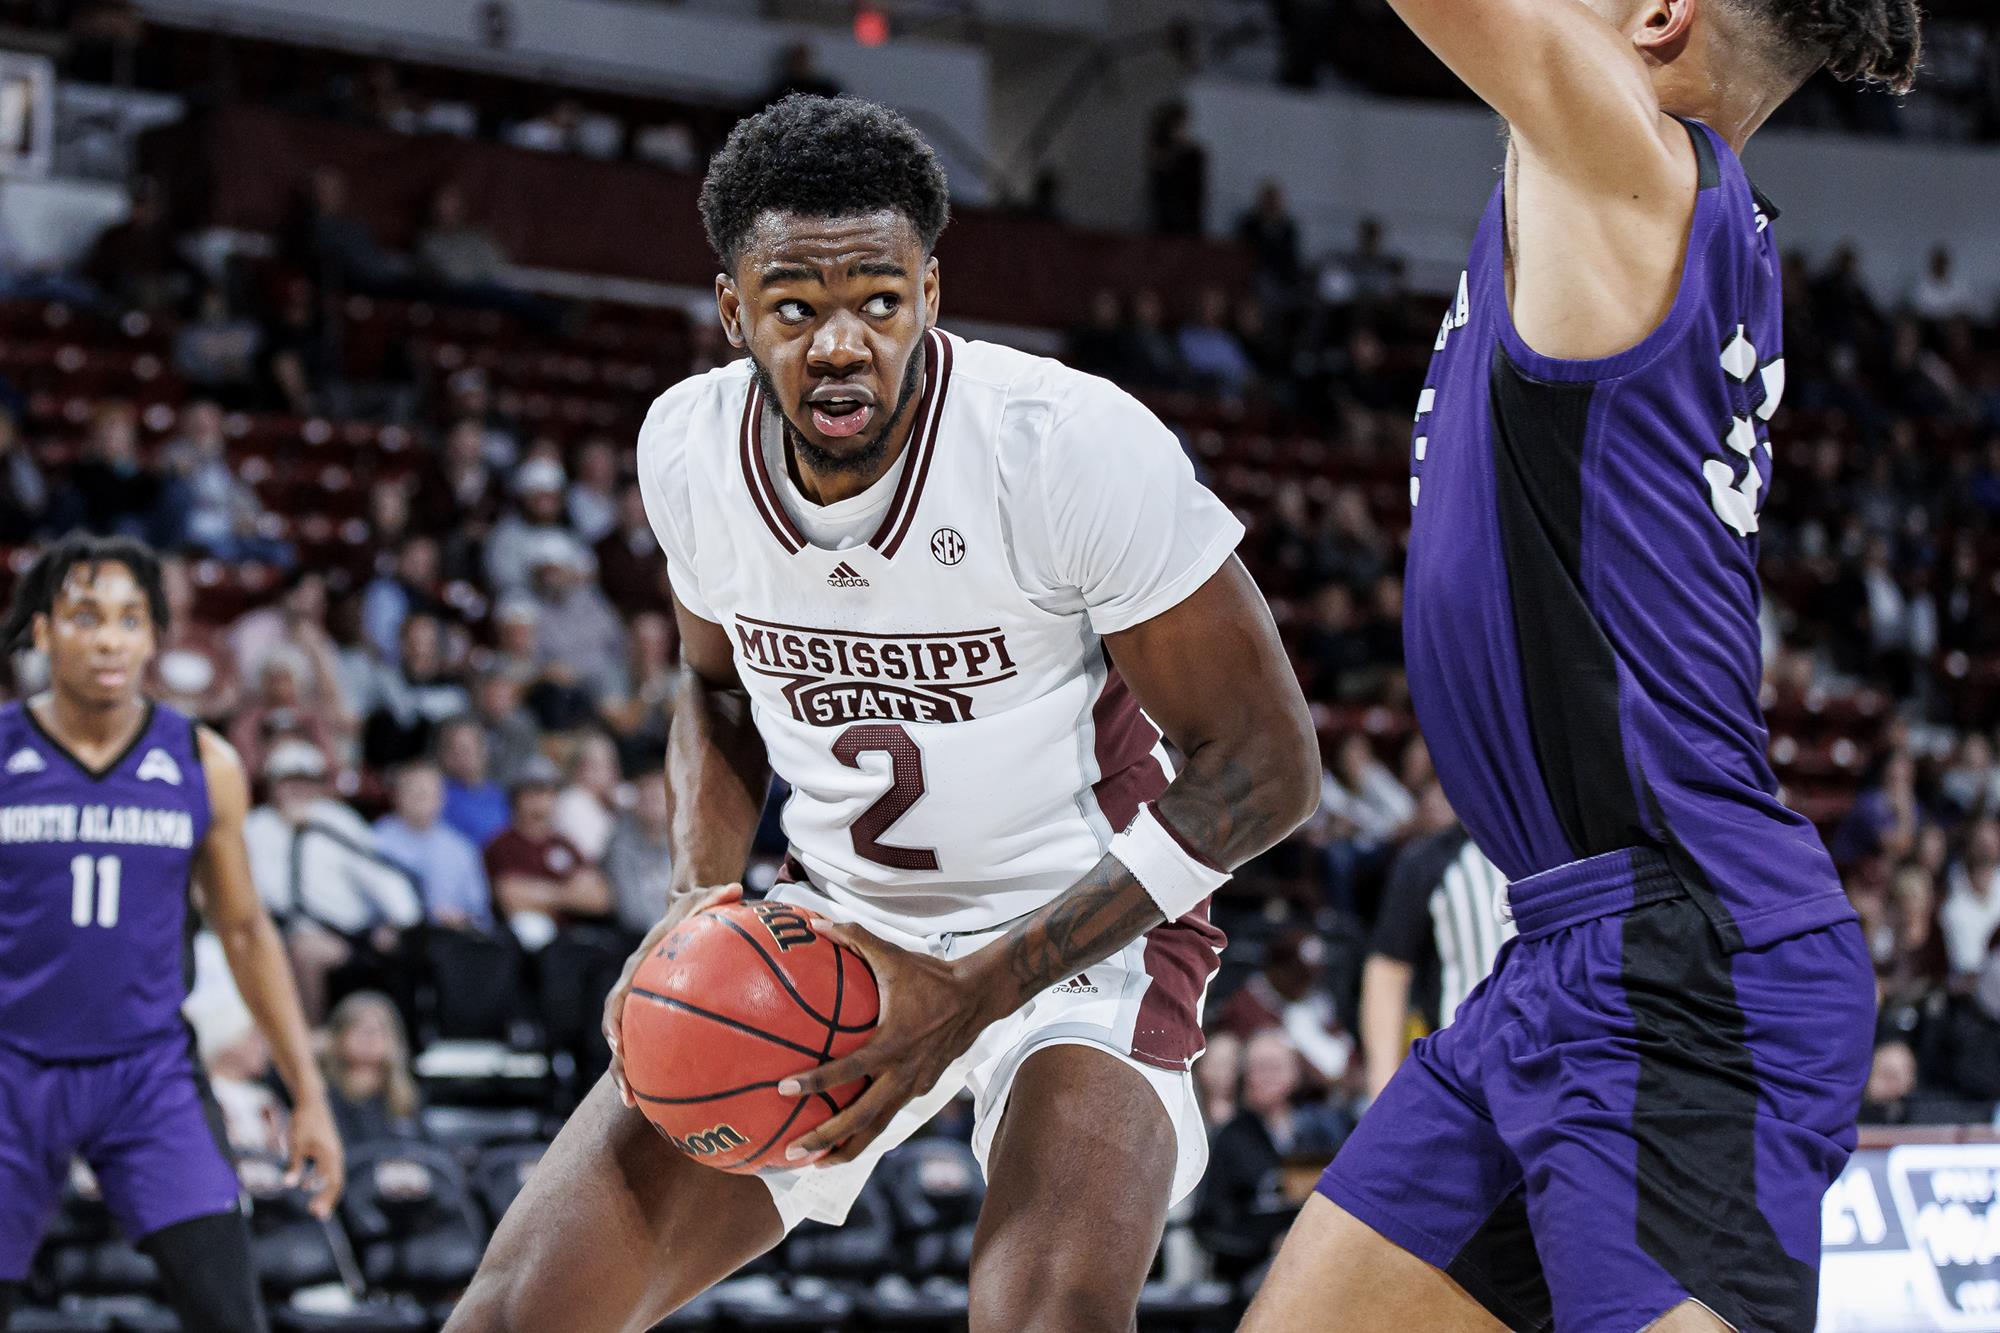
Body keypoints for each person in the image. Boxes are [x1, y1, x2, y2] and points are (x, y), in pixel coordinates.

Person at [443, 95, 1318, 1333]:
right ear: (734, 309)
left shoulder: (1060, 445)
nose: (842, 342)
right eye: (796, 307)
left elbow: (1270, 770)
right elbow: (712, 688)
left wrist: (972, 987)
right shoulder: (688, 451)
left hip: (1087, 927)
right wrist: (700, 898)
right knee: (517, 1313)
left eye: (880, 299)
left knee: (1046, 1320)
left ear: (930, 292)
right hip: (832, 930)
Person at [1243, 2, 1918, 1330]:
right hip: (1568, 946)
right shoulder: (1644, 190)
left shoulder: (1626, 162)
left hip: (1687, 959)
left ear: (1660, 14)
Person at [0, 535, 343, 1332]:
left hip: (145, 1076)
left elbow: (248, 933)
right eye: (86, 616)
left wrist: (310, 1094)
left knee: (230, 1311)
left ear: (156, 636)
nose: (111, 638)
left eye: (130, 618)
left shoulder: (202, 760)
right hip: (11, 1069)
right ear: (45, 631)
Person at [1358, 801, 1514, 1099]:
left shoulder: (1557, 850)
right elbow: (1388, 969)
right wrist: (1382, 1084)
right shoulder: (1429, 862)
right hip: (1466, 1072)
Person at [374, 759, 494, 931]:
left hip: (448, 939)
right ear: (397, 796)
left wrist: (461, 919)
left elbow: (480, 914)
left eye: (428, 792)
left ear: (442, 797)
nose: (421, 798)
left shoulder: (462, 848)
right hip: (394, 937)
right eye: (414, 791)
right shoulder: (376, 840)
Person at [319, 992, 423, 1147]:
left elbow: (426, 1150)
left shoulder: (405, 1097)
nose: (371, 1037)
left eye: (380, 1029)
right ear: (337, 1036)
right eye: (359, 1028)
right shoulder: (321, 1093)